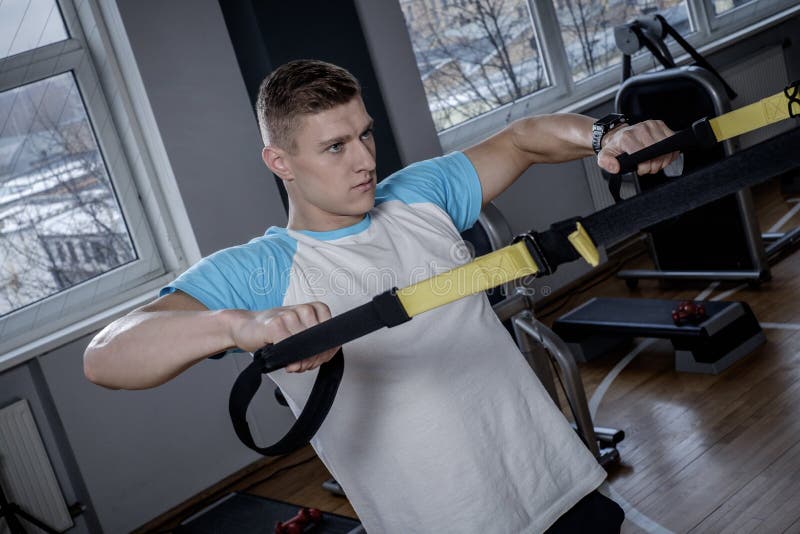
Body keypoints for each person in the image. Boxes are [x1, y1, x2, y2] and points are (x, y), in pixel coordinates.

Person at [84, 59, 677, 532]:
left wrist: (608, 134)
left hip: (560, 484)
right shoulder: (260, 271)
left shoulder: (419, 194)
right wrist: (238, 328)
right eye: (335, 147)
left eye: (365, 134)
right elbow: (106, 355)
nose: (366, 159)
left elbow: (522, 140)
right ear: (279, 161)